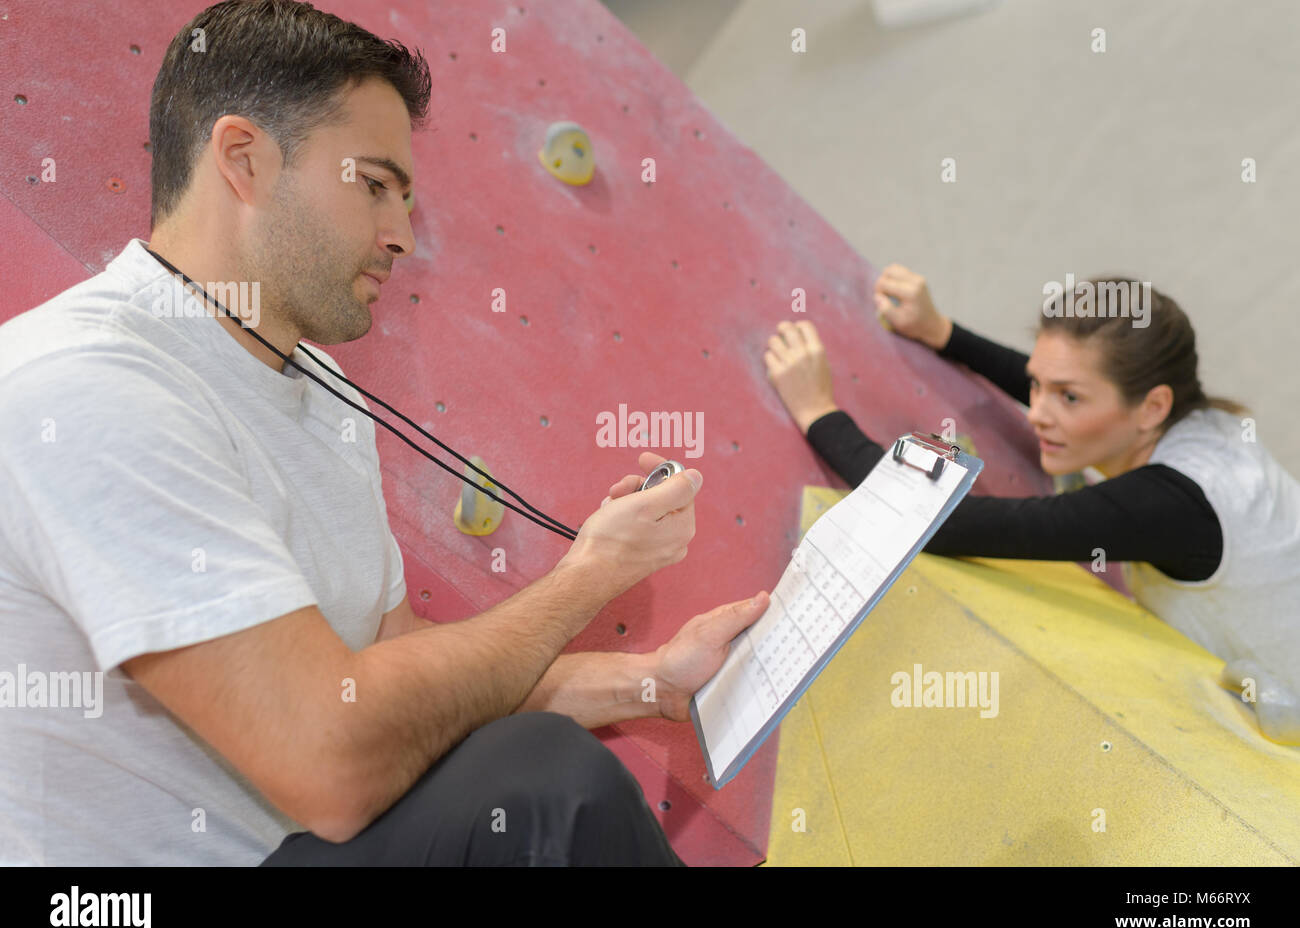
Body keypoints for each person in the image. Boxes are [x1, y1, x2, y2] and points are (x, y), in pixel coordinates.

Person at [0, 0, 771, 866]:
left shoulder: (320, 386)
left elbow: (399, 669)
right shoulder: (79, 384)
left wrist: (648, 679)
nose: (401, 237)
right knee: (546, 783)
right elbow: (331, 759)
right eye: (373, 185)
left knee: (531, 778)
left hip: (301, 844)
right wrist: (592, 575)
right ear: (244, 161)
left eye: (405, 200)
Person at [764, 263, 1300, 745]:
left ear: (1151, 405)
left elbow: (949, 524)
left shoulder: (1169, 504)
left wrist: (819, 413)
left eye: (1066, 398)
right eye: (1038, 386)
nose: (1039, 412)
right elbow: (1066, 377)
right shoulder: (1203, 420)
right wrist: (943, 334)